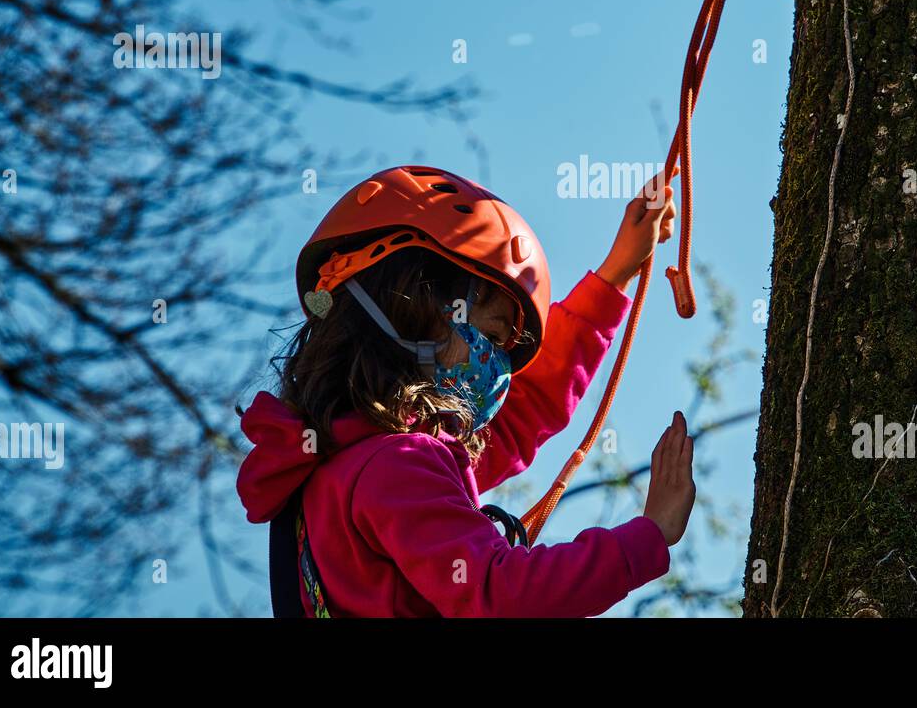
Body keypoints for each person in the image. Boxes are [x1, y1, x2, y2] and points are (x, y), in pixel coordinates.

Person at [236, 164, 696, 616]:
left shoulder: (339, 466)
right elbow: (502, 591)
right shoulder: (396, 464)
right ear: (413, 304)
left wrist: (615, 275)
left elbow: (520, 414)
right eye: (493, 338)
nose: (495, 367)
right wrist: (648, 535)